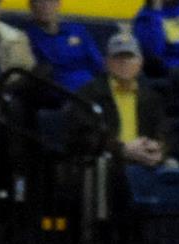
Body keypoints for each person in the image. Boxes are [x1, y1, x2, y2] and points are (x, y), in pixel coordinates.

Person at [68, 29, 171, 176]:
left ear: (140, 63)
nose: (124, 62)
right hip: (107, 164)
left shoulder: (152, 97)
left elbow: (163, 131)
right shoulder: (88, 94)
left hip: (144, 163)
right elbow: (84, 137)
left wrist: (159, 147)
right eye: (117, 57)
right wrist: (121, 150)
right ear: (106, 62)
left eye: (129, 57)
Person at [21, 0, 104, 95]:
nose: (46, 5)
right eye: (39, 0)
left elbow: (99, 66)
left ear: (59, 2)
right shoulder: (24, 37)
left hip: (93, 93)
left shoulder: (78, 30)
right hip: (59, 97)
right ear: (31, 5)